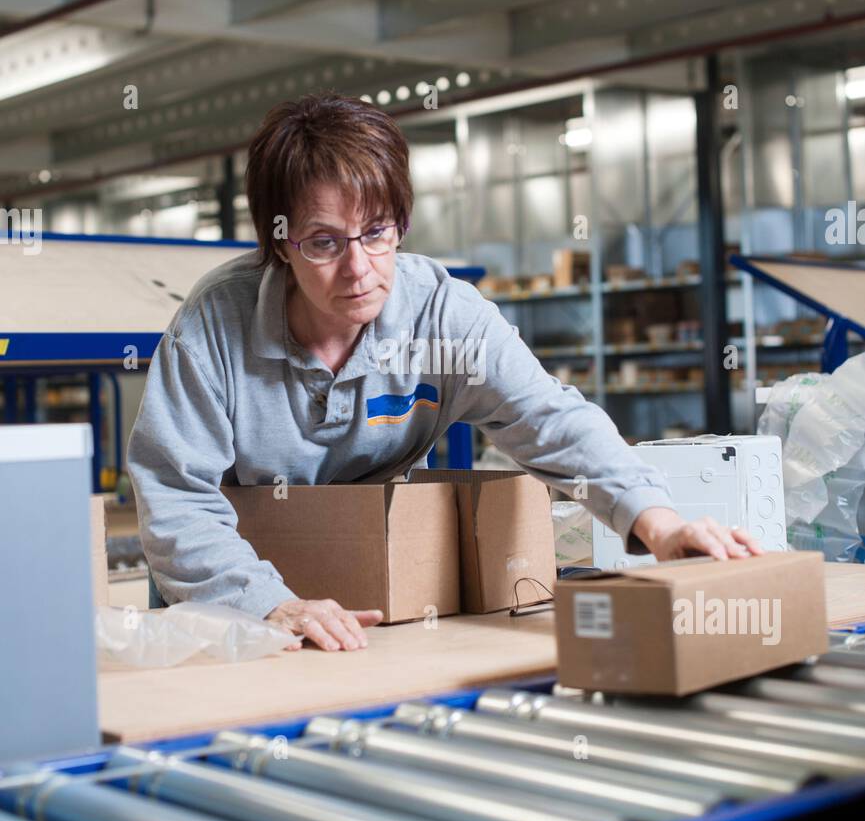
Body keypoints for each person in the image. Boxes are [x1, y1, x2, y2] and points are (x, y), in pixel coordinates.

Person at [127, 93, 762, 653]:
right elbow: (176, 496)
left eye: (376, 233)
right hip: (234, 619)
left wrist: (659, 522)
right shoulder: (214, 327)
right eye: (323, 242)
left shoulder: (440, 316)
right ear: (278, 242)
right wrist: (270, 607)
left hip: (382, 604)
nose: (359, 269)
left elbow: (548, 418)